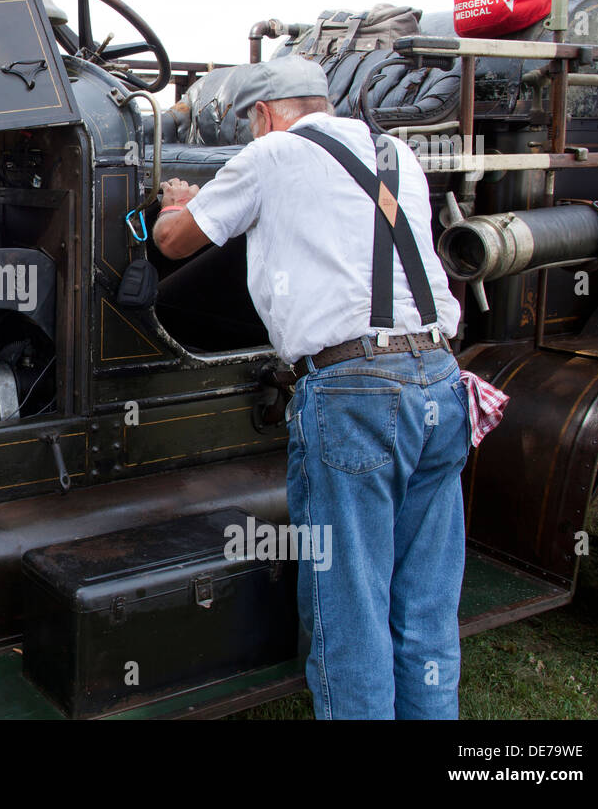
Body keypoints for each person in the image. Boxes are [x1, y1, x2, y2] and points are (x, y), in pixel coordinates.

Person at [152, 55, 470, 720]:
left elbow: (177, 244)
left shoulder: (269, 155)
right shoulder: (397, 155)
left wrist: (177, 204)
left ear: (264, 116)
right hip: (440, 380)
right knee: (427, 603)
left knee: (348, 607)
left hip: (357, 394)